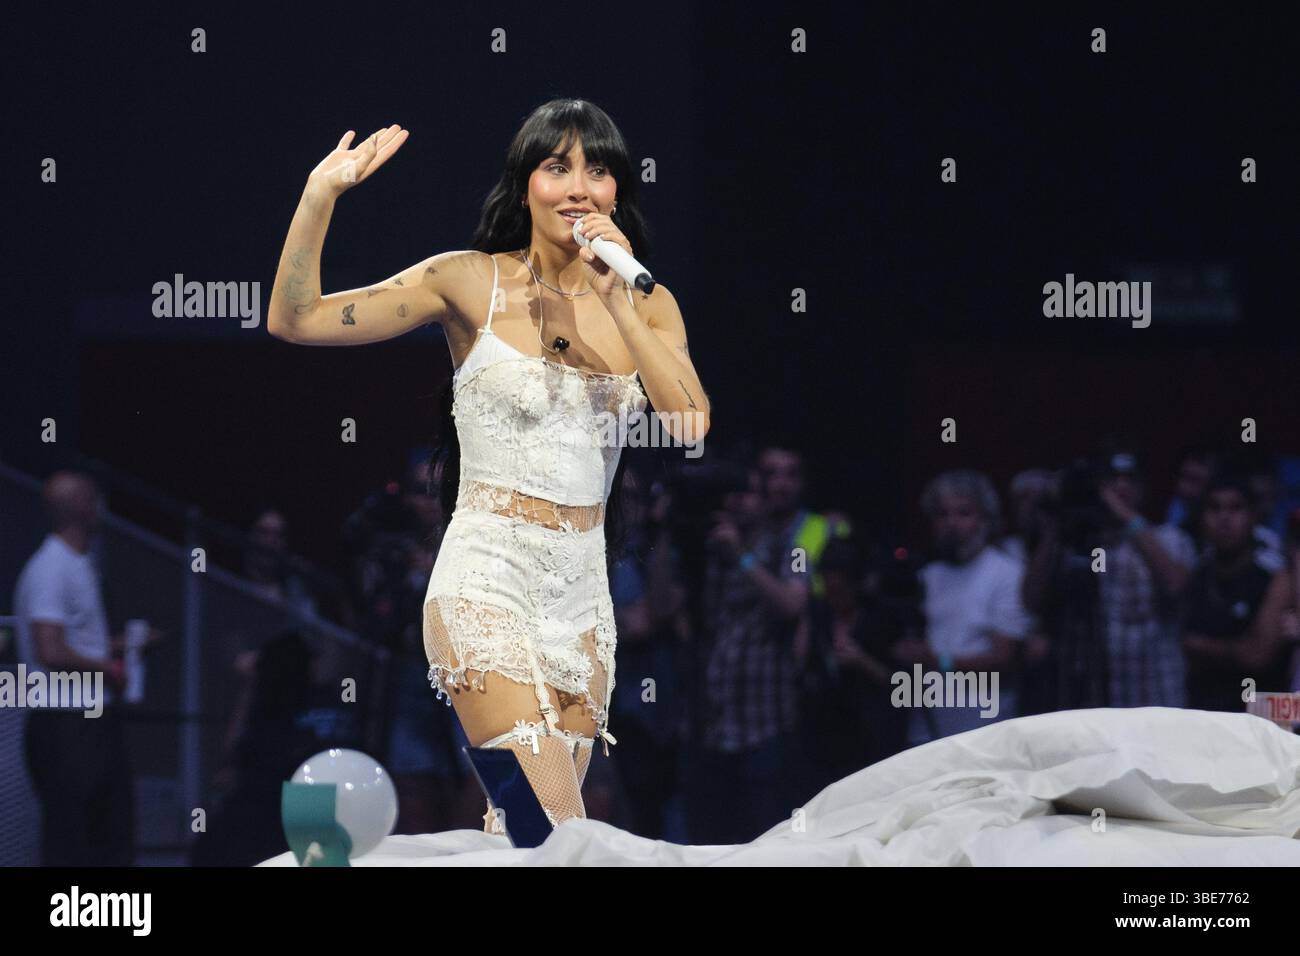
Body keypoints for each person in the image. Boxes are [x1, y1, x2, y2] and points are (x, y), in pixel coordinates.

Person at [268, 99, 710, 831]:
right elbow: (297, 318)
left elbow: (689, 420)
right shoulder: (470, 280)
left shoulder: (648, 300)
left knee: (525, 839)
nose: (577, 187)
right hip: (486, 580)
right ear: (524, 183)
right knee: (555, 829)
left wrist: (622, 307)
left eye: (596, 170)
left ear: (617, 192)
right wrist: (320, 196)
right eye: (556, 166)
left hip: (582, 601)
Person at [14, 471, 134, 866]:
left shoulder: (78, 565)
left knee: (105, 836)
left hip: (87, 720)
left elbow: (72, 641)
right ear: (83, 507)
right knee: (74, 843)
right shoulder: (52, 567)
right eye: (94, 500)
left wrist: (123, 647)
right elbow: (50, 648)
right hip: (67, 723)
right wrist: (106, 668)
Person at [1181, 473, 1289, 711]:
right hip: (1207, 715)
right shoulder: (1197, 576)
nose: (1224, 518)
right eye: (1215, 508)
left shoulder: (1275, 575)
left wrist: (1203, 648)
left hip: (1267, 717)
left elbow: (1257, 655)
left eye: (1235, 508)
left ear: (1253, 516)